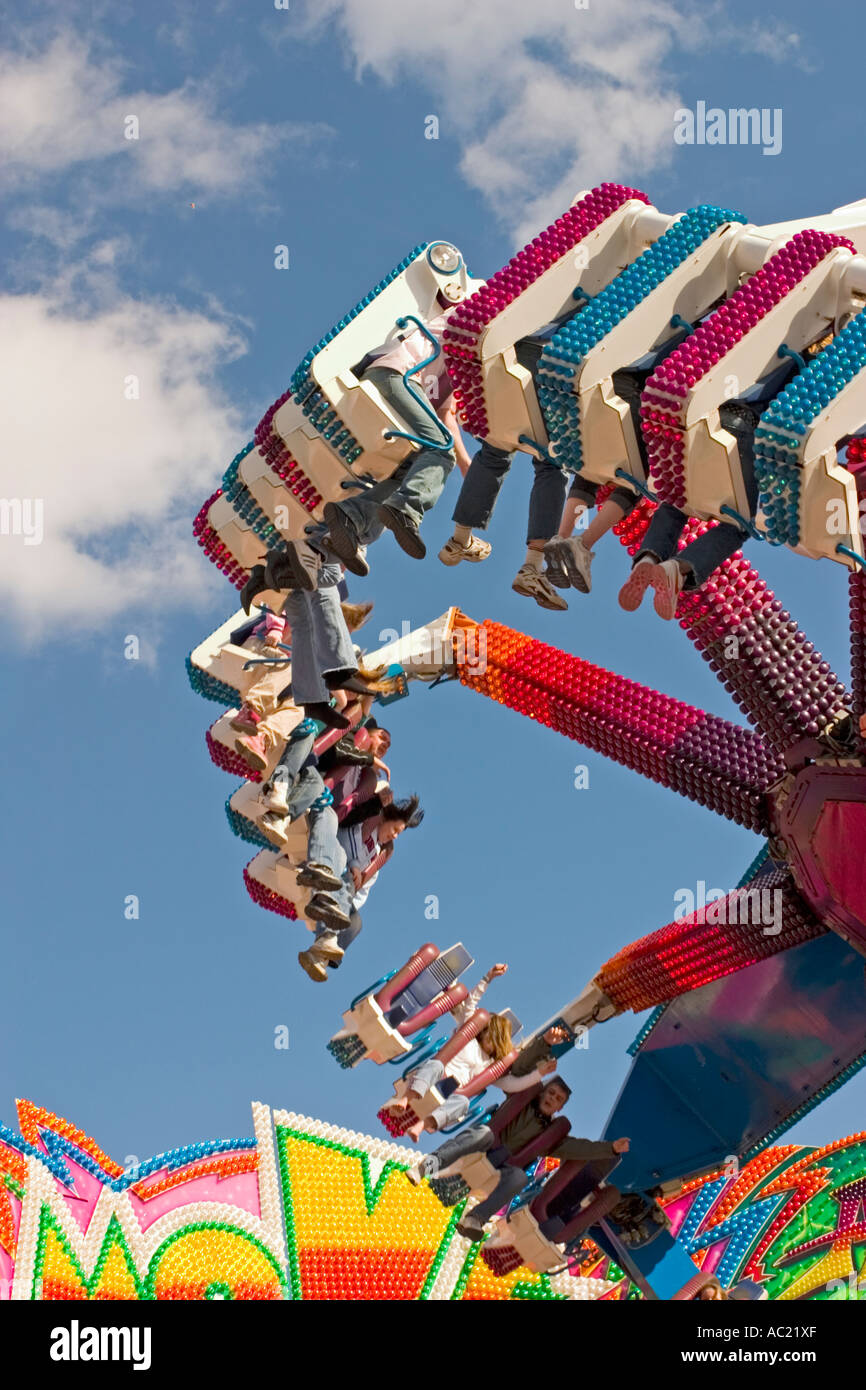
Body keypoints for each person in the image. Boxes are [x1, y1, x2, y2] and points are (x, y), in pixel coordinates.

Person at [322, 292, 473, 572]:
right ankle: (405, 510)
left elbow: (444, 414)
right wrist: (465, 463)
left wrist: (466, 463)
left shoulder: (458, 369)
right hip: (395, 372)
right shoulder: (477, 320)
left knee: (409, 469)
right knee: (441, 450)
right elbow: (447, 424)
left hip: (395, 378)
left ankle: (350, 520)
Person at [407, 1071, 630, 1242]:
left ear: (560, 1108)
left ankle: (475, 1219)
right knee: (482, 1133)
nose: (552, 1098)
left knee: (520, 1178)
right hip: (485, 1145)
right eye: (551, 1092)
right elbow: (515, 1073)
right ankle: (424, 1167)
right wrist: (538, 1065)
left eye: (558, 1098)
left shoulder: (551, 1136)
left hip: (504, 1166)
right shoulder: (521, 1099)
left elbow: (581, 1148)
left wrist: (610, 1148)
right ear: (543, 1092)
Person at [382, 964, 556, 1140]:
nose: (490, 1039)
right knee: (435, 1066)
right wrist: (487, 978)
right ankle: (406, 1100)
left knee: (464, 1103)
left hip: (452, 1093)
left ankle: (421, 1126)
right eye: (489, 1032)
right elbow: (471, 1004)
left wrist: (540, 1073)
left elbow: (513, 1084)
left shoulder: (490, 1065)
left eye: (495, 1037)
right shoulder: (468, 1036)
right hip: (437, 1075)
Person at [294, 795, 422, 981]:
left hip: (345, 892)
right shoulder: (368, 825)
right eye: (395, 829)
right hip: (333, 863)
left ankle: (319, 954)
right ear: (386, 819)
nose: (394, 835)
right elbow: (344, 836)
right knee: (344, 883)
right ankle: (325, 938)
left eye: (398, 834)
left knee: (356, 924)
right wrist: (353, 865)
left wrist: (348, 905)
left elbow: (363, 890)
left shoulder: (377, 856)